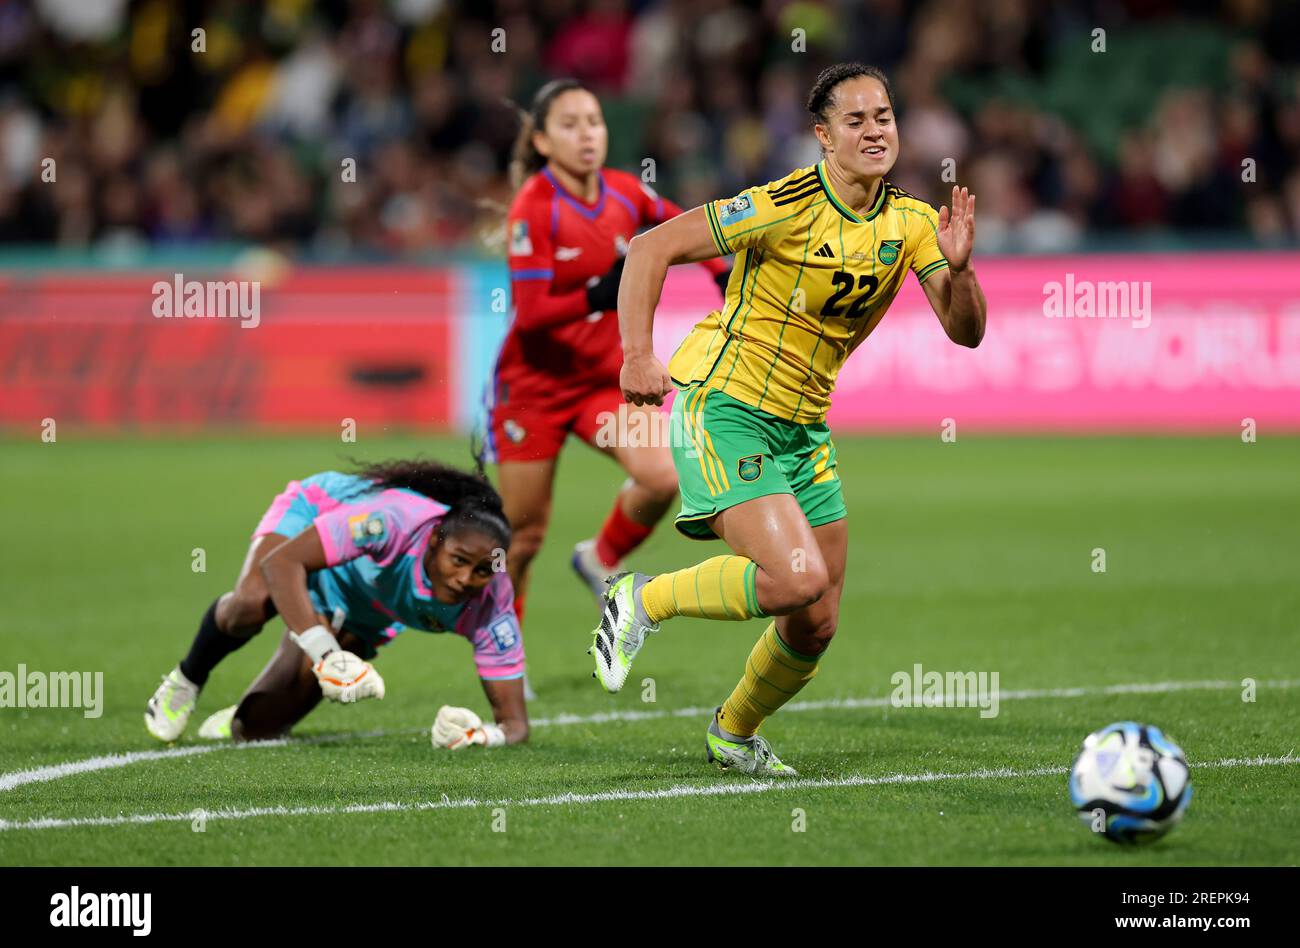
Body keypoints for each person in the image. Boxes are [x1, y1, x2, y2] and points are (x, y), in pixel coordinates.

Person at [589, 63, 987, 775]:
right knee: (796, 578)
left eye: (885, 117)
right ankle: (640, 598)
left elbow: (966, 333)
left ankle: (732, 733)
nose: (874, 131)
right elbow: (651, 247)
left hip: (804, 428)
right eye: (856, 120)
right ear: (824, 135)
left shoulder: (915, 223)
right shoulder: (783, 202)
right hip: (727, 405)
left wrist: (960, 271)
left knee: (816, 619)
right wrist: (637, 355)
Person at [488, 78, 731, 636]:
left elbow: (687, 224)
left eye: (593, 122)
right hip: (533, 392)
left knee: (664, 475)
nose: (586, 135)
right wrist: (600, 291)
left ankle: (599, 558)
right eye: (569, 125)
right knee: (521, 539)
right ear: (544, 143)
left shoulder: (627, 192)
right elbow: (530, 313)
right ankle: (506, 654)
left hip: (601, 383)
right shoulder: (533, 209)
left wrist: (721, 270)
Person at [144, 459, 527, 748]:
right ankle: (187, 678)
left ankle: (240, 710)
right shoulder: (389, 520)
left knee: (255, 731)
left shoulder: (492, 603)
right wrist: (327, 655)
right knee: (251, 602)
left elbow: (516, 726)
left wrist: (479, 735)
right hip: (312, 523)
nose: (465, 580)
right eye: (458, 561)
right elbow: (281, 563)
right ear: (433, 542)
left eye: (482, 571)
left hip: (364, 606)